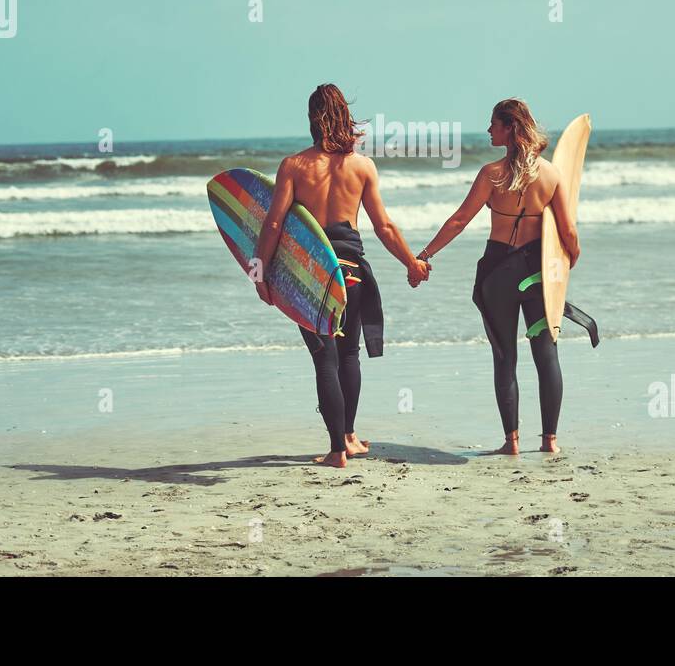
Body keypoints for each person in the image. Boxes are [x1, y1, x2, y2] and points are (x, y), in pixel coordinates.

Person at [253, 84, 431, 468]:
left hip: (312, 274)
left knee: (325, 359)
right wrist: (411, 264)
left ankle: (337, 450)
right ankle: (348, 437)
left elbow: (272, 225)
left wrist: (260, 271)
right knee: (349, 354)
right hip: (351, 272)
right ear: (343, 117)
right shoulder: (362, 166)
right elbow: (383, 226)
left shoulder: (294, 165)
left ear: (312, 119)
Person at [416, 98, 596, 455]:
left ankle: (511, 442)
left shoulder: (491, 174)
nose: (488, 130)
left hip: (497, 272)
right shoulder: (550, 175)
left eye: (494, 124)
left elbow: (458, 221)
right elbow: (568, 231)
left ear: (510, 128)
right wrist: (569, 260)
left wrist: (424, 255)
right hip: (537, 273)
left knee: (504, 358)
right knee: (547, 355)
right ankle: (550, 441)